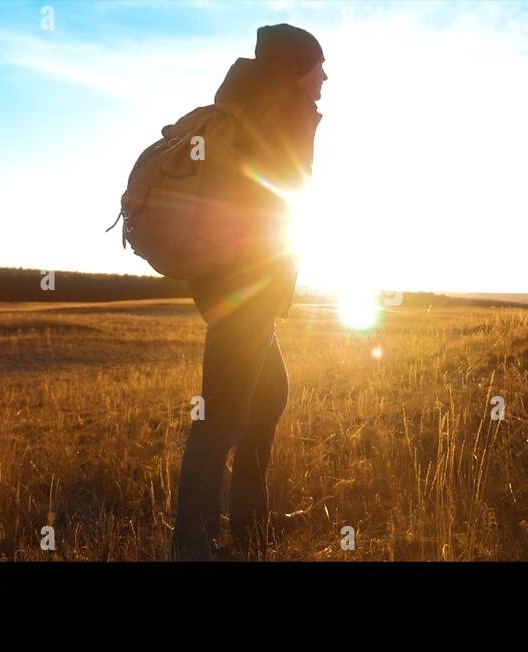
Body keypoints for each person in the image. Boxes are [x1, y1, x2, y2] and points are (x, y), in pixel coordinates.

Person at [172, 24, 327, 561]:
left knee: (267, 396)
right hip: (246, 287)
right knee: (221, 417)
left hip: (227, 282)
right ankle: (192, 545)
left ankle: (249, 523)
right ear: (293, 69)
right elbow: (276, 200)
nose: (325, 76)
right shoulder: (282, 109)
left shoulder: (244, 104)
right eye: (317, 66)